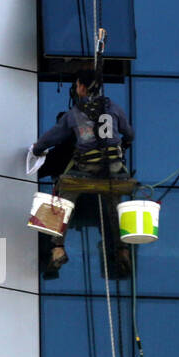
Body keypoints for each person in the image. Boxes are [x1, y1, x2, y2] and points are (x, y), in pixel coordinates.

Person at [29, 69, 136, 279]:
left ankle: (57, 247)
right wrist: (125, 143)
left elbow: (52, 137)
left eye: (78, 85)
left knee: (61, 199)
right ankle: (122, 250)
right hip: (114, 170)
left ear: (82, 88)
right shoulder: (113, 108)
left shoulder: (75, 113)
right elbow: (129, 132)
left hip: (87, 169)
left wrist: (36, 150)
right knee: (114, 207)